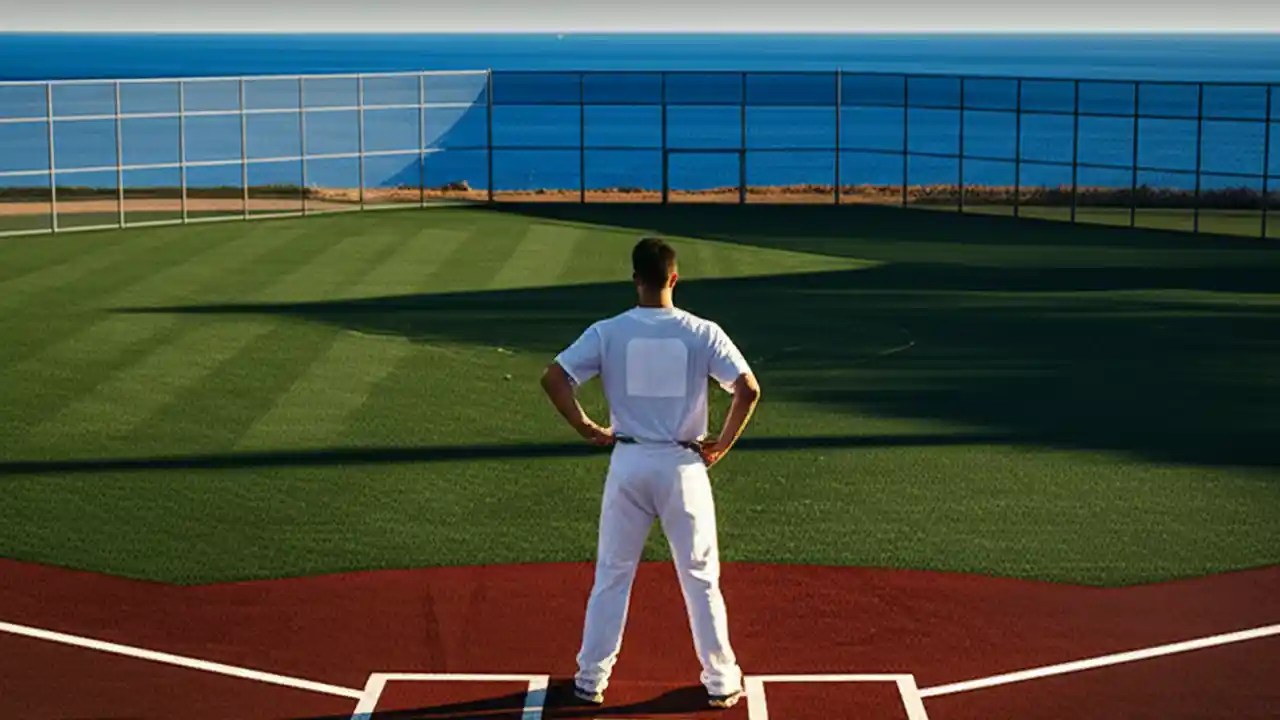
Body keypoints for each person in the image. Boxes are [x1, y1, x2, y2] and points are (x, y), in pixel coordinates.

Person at [540, 236, 762, 709]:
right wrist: (722, 443)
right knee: (700, 577)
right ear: (674, 278)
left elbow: (554, 377)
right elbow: (747, 389)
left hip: (629, 464)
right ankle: (722, 681)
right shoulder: (703, 333)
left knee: (612, 575)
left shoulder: (609, 331)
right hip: (684, 467)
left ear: (635, 279)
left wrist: (586, 427)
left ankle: (590, 679)